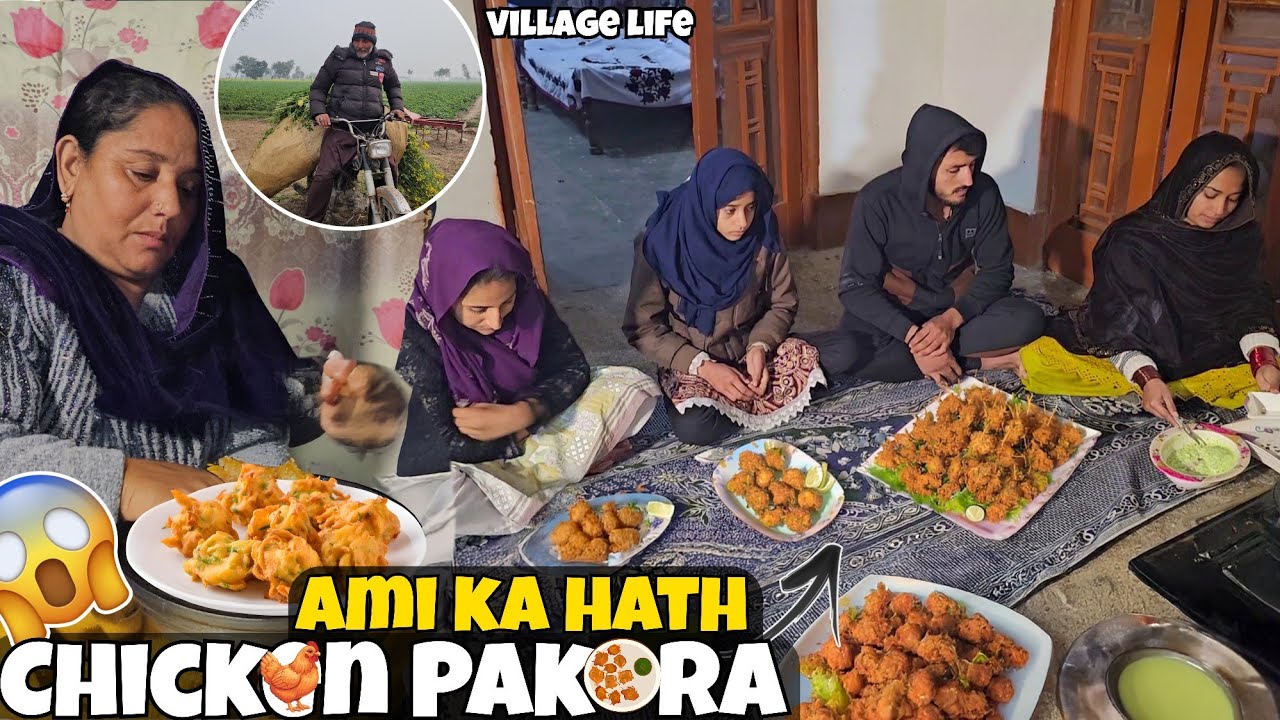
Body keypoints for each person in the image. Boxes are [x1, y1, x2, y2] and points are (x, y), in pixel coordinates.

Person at [0, 60, 406, 521]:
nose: (171, 206)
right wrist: (121, 480)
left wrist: (329, 413)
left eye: (190, 187)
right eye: (142, 173)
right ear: (72, 165)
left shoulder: (209, 293)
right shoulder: (14, 282)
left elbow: (247, 431)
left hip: (200, 574)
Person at [998, 131, 1280, 422]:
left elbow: (1249, 305)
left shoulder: (1239, 237)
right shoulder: (1132, 241)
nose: (1220, 210)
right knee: (1047, 361)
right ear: (1186, 184)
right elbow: (1117, 325)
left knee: (1271, 369)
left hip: (1210, 351)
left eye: (1233, 199)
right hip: (1142, 348)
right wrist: (1148, 377)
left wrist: (1262, 361)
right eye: (1210, 195)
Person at [394, 219, 660, 527]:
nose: (495, 321)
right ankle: (569, 465)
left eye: (506, 302)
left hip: (535, 423)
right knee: (436, 499)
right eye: (478, 310)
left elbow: (573, 367)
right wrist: (511, 440)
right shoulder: (423, 331)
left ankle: (553, 472)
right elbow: (439, 442)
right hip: (480, 456)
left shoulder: (527, 301)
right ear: (443, 296)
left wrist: (524, 413)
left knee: (628, 385)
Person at [807, 104, 1044, 388]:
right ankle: (981, 362)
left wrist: (950, 321)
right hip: (897, 311)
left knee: (1028, 320)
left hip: (953, 308)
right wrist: (913, 338)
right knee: (854, 350)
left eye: (972, 165)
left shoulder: (984, 193)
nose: (967, 179)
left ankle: (929, 357)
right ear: (924, 167)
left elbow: (998, 271)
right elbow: (855, 287)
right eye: (954, 169)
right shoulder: (877, 200)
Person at [623, 147, 824, 447]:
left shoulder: (762, 232)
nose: (742, 222)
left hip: (752, 353)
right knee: (696, 428)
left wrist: (760, 346)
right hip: (694, 361)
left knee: (847, 351)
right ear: (707, 203)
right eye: (730, 210)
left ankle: (743, 404)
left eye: (750, 207)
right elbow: (642, 328)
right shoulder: (662, 243)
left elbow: (783, 303)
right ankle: (740, 406)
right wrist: (703, 366)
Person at [303, 21, 408, 223]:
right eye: (357, 40)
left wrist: (397, 107)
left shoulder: (382, 61)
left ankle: (383, 212)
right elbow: (318, 88)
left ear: (373, 43)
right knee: (324, 175)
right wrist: (319, 112)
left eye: (365, 41)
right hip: (343, 129)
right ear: (352, 40)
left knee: (391, 169)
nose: (361, 45)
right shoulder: (338, 58)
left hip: (374, 129)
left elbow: (393, 86)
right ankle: (312, 221)